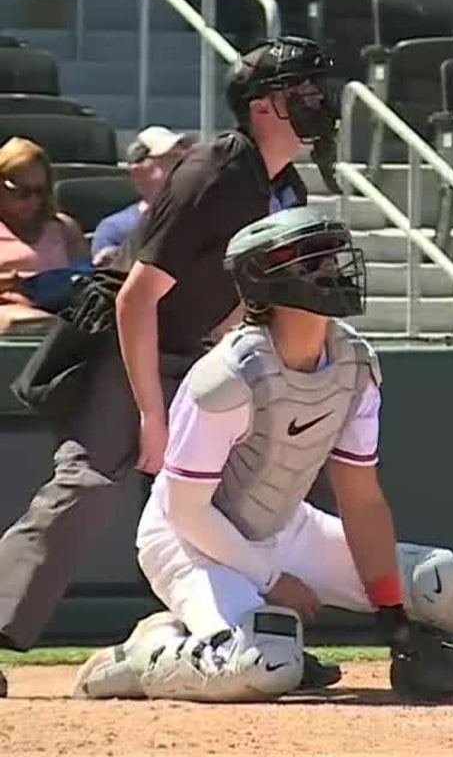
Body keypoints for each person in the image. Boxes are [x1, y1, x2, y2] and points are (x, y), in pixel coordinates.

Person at [70, 207, 453, 703]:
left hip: (284, 525)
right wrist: (272, 579)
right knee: (265, 665)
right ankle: (151, 650)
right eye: (316, 259)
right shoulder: (226, 377)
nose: (335, 269)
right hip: (191, 542)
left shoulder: (353, 365)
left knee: (438, 579)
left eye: (334, 255)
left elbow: (361, 497)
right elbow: (182, 507)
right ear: (270, 282)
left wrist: (394, 618)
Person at [0, 37, 330, 681]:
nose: (319, 102)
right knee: (86, 487)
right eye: (305, 92)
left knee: (232, 499)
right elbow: (136, 300)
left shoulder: (280, 182)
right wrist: (153, 414)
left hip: (201, 356)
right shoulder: (211, 173)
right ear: (265, 107)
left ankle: (252, 638)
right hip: (137, 353)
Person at [0, 137, 90, 332]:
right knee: (26, 322)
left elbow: (86, 279)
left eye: (39, 191)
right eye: (22, 192)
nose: (33, 200)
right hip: (10, 317)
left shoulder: (63, 228)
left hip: (64, 313)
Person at [92, 127, 194, 267]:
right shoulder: (115, 229)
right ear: (138, 171)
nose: (184, 168)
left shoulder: (202, 216)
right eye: (171, 159)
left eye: (184, 159)